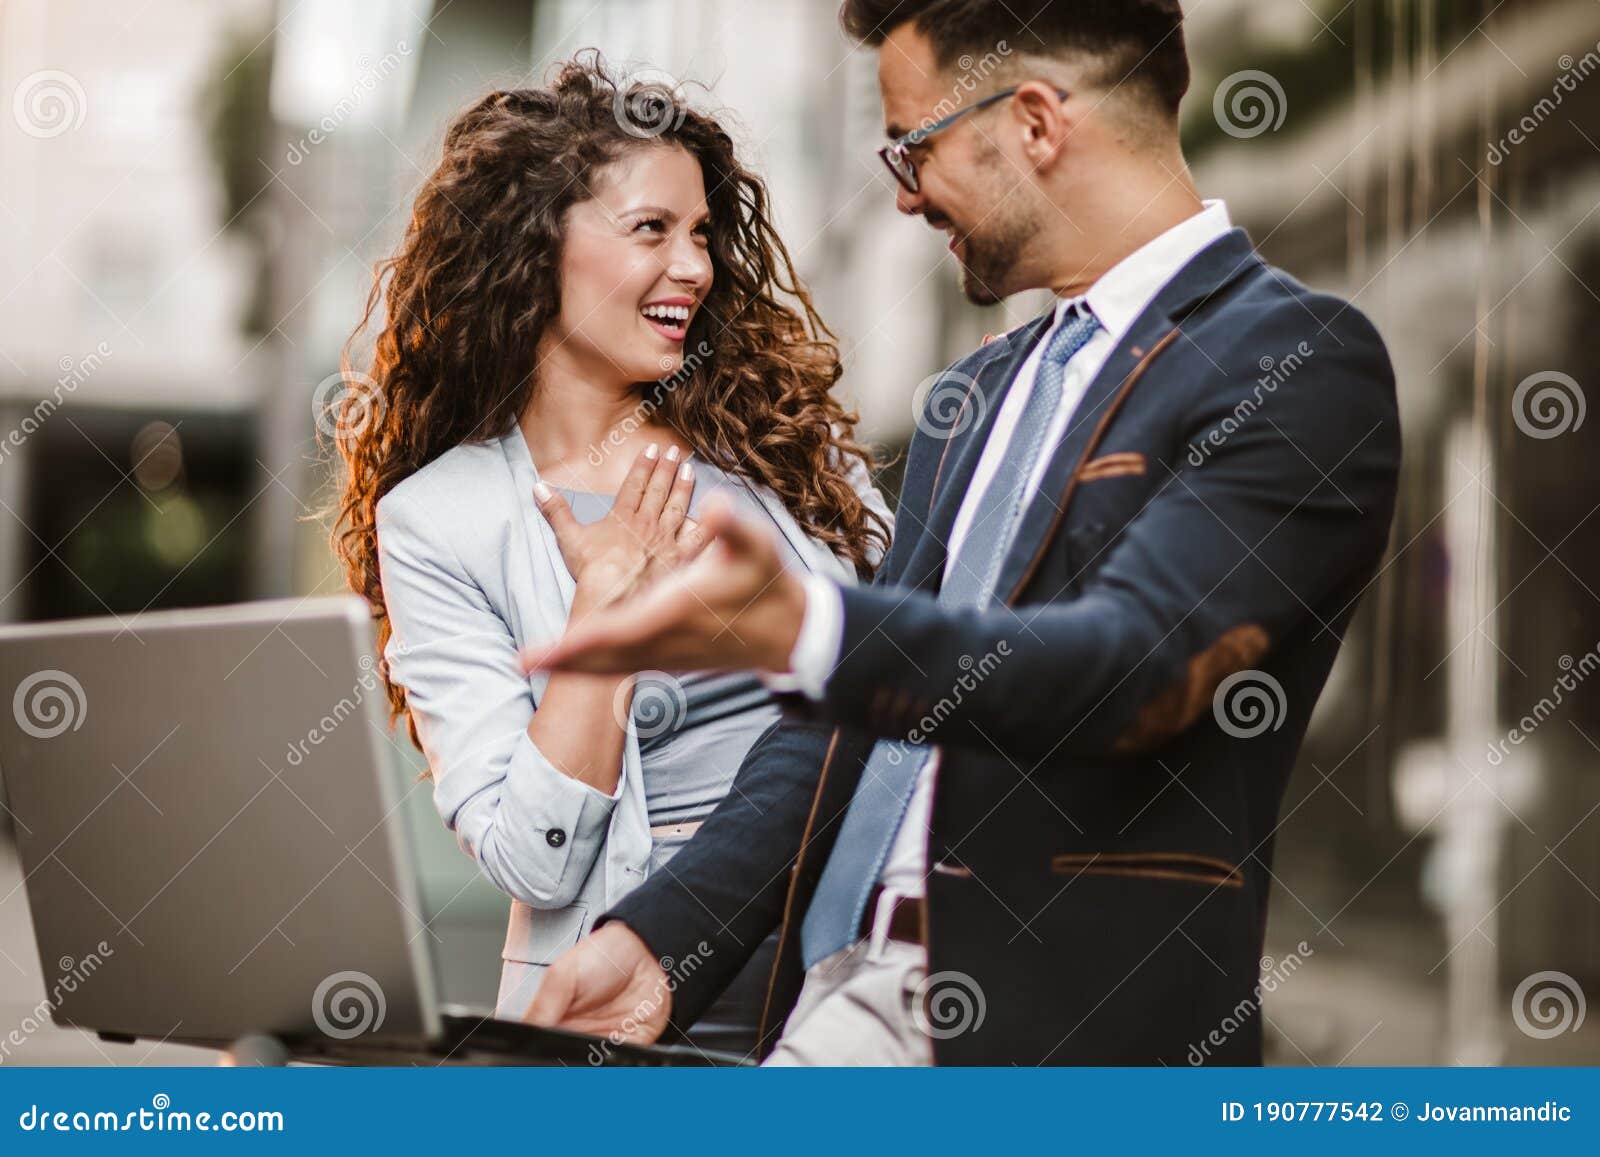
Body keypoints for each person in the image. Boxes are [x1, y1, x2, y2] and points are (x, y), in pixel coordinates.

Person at [518, 1, 1403, 1066]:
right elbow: (843, 731)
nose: (902, 195)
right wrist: (659, 938)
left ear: (1033, 121)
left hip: (1035, 1041)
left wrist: (809, 626)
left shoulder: (1298, 361)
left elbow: (1136, 667)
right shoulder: (974, 396)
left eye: (914, 146)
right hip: (827, 1002)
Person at [328, 53, 891, 1057]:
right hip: (625, 1013)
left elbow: (909, 679)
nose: (695, 267)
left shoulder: (789, 449)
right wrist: (603, 618)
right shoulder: (441, 518)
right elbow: (531, 859)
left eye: (703, 234)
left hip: (849, 987)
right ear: (536, 249)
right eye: (651, 230)